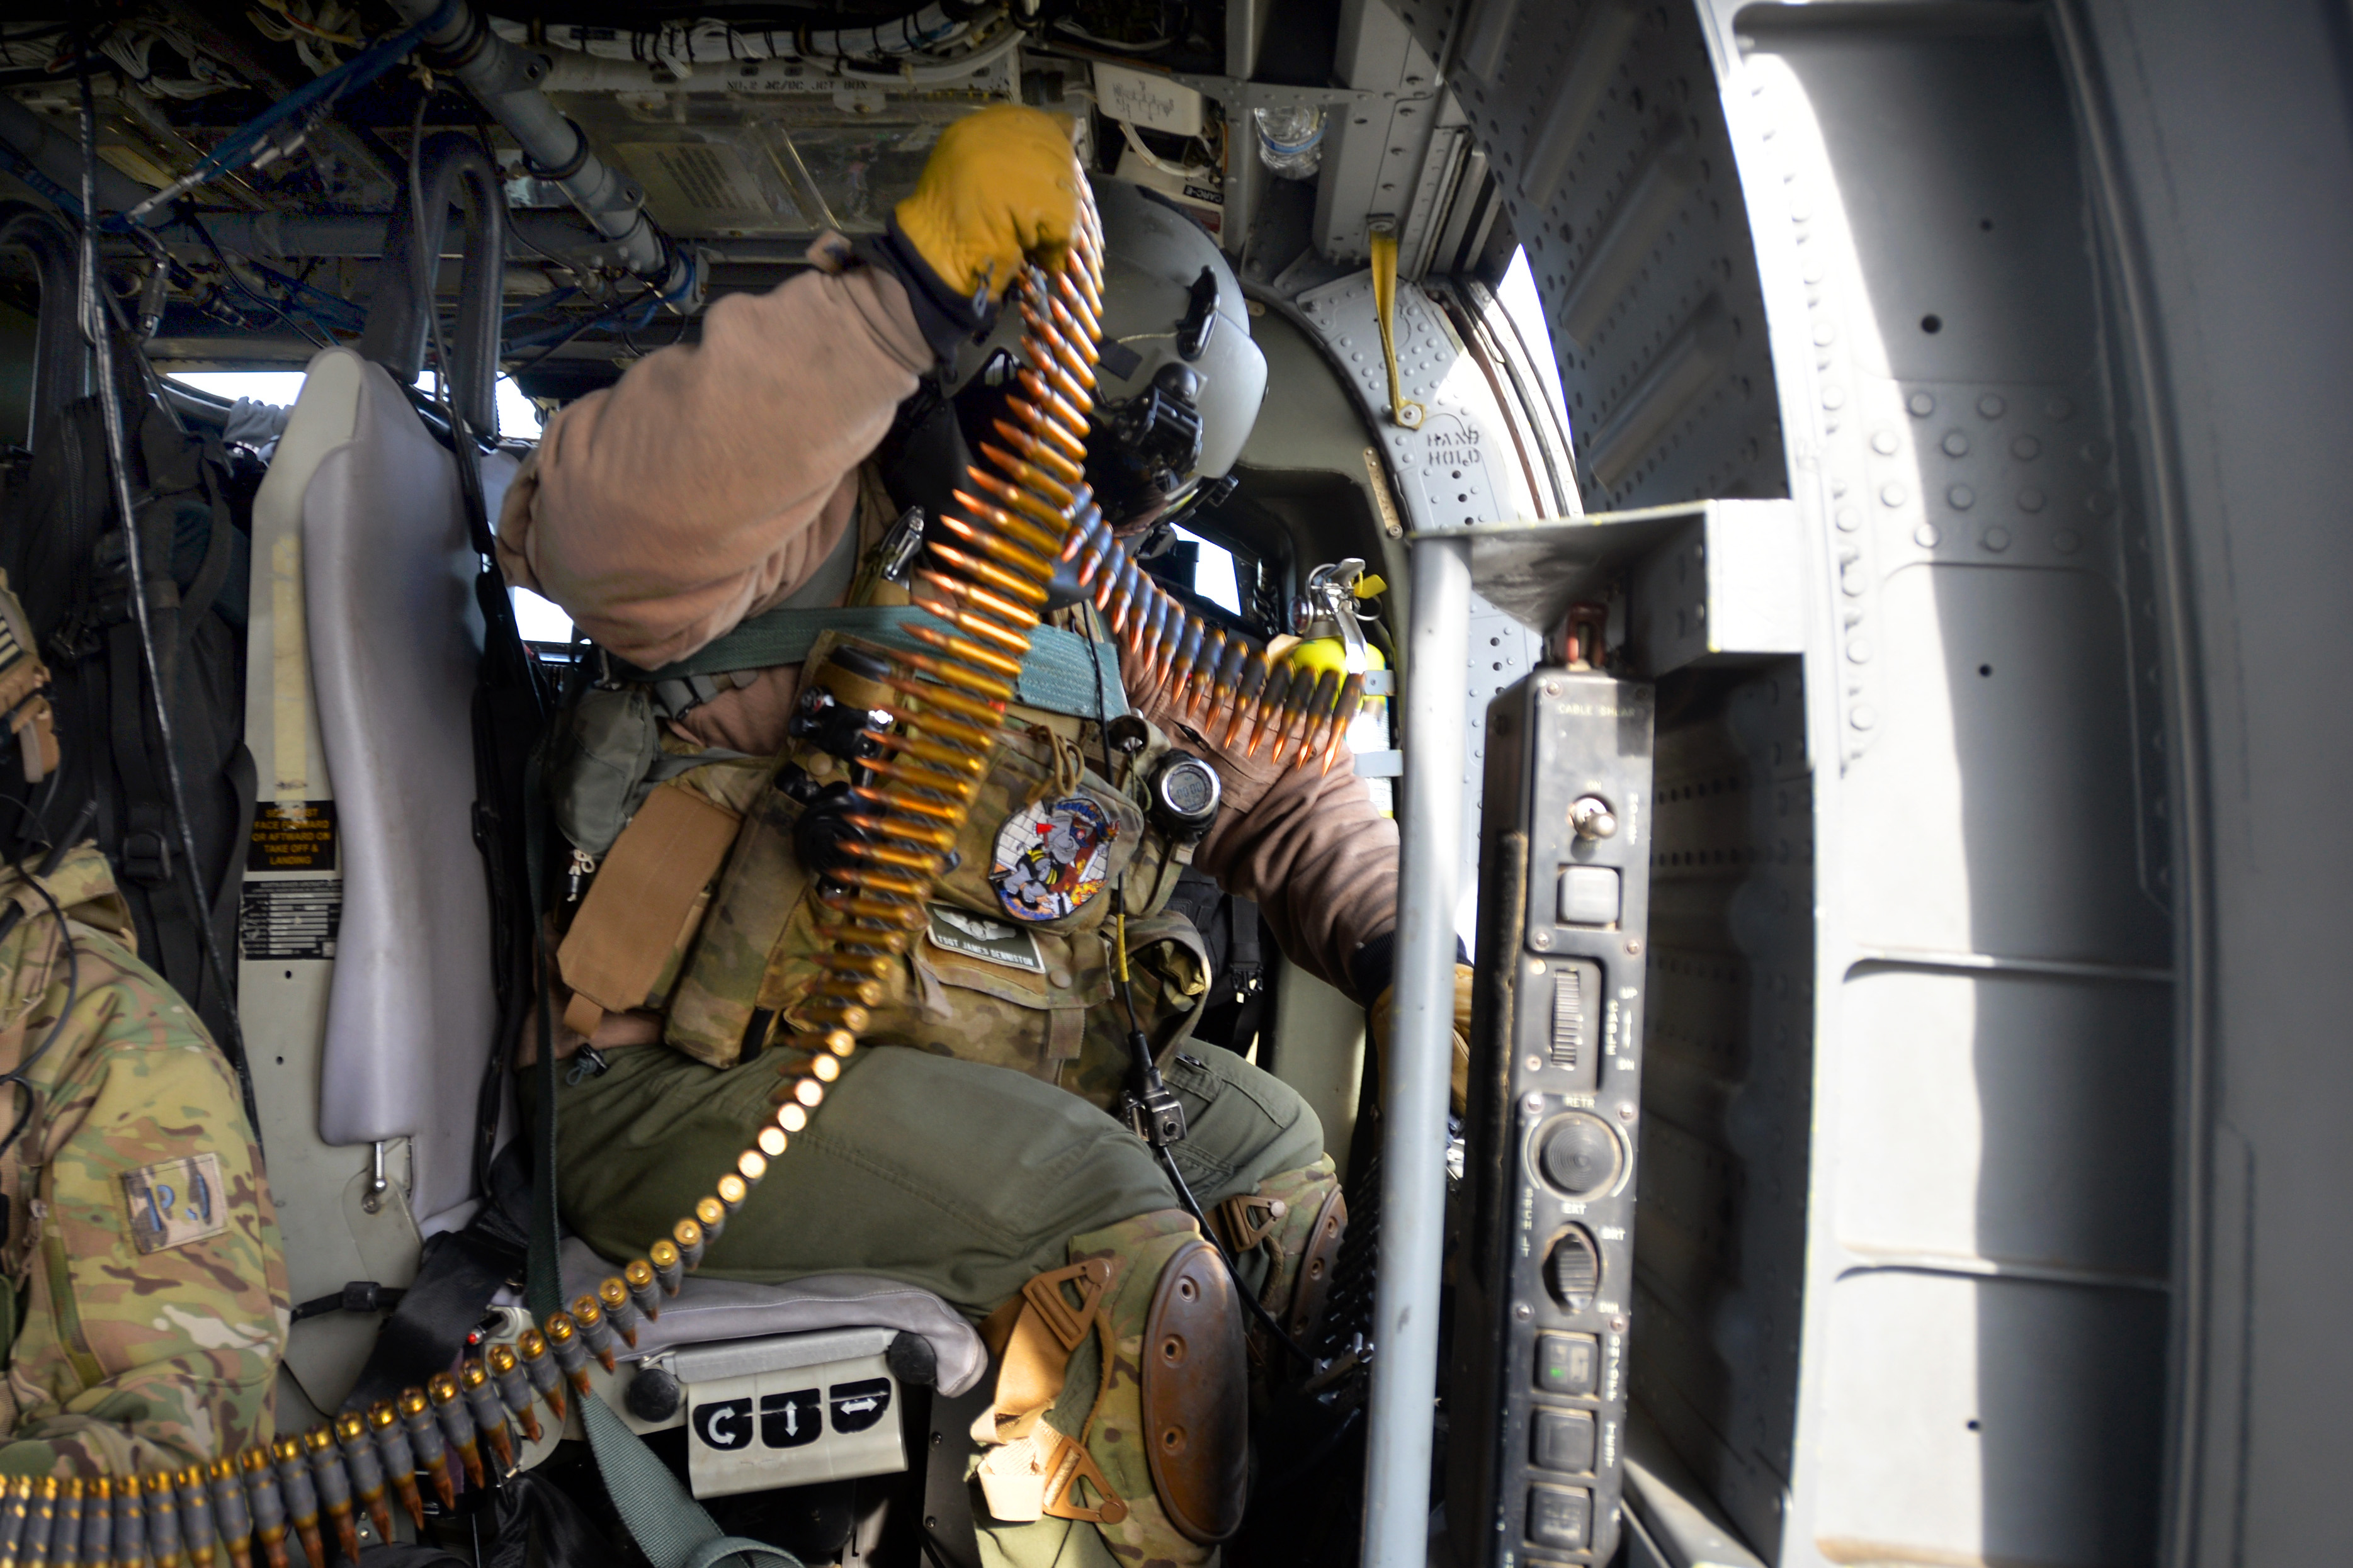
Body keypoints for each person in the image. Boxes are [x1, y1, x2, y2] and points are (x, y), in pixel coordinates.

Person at [497, 105, 1446, 1568]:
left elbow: (1284, 790)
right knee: (1109, 1218)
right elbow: (593, 532)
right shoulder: (807, 524)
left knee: (1274, 1151)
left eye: (1122, 490)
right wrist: (893, 299)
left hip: (961, 1063)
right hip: (683, 1083)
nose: (1084, 511)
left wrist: (1405, 950)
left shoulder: (1105, 619)